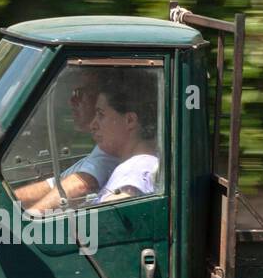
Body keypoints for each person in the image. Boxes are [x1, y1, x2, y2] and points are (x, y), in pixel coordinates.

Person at [12, 69, 119, 213]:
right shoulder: (101, 148)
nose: (72, 101)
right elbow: (55, 185)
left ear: (100, 98)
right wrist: (10, 199)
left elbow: (81, 186)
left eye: (79, 94)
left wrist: (22, 222)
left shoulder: (113, 149)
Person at [89, 74, 159, 202]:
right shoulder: (146, 163)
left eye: (101, 114)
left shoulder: (132, 172)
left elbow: (109, 218)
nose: (92, 125)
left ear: (130, 120)